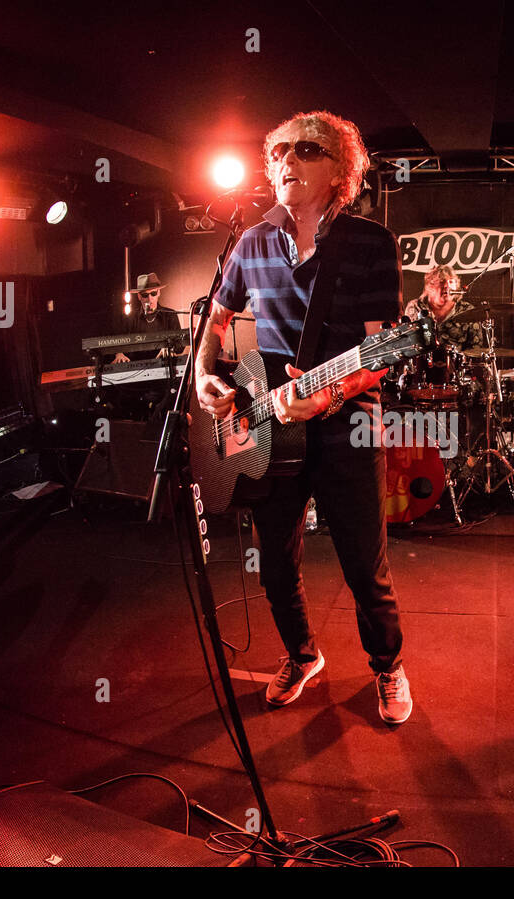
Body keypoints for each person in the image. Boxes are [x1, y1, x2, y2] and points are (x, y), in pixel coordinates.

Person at [195, 110, 412, 724]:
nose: (288, 159)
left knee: (364, 566)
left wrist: (329, 395)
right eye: (281, 150)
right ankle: (301, 653)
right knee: (273, 564)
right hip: (266, 424)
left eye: (308, 150)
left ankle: (388, 667)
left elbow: (381, 350)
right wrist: (206, 374)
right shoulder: (252, 240)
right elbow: (215, 319)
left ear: (341, 170)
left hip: (348, 421)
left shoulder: (370, 244)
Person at [404, 265, 479, 351]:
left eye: (451, 282)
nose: (447, 286)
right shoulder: (415, 307)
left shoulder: (467, 309)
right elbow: (407, 341)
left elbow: (476, 349)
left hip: (455, 363)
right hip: (422, 361)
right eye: (441, 281)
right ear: (430, 286)